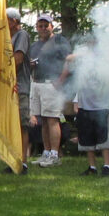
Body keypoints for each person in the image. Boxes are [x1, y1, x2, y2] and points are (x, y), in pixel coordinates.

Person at [64, 46, 109, 176]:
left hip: (101, 107)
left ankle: (107, 166)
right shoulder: (82, 67)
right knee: (87, 140)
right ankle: (92, 168)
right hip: (84, 107)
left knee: (104, 139)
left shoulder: (104, 68)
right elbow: (69, 59)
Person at [29, 14, 71, 167]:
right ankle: (46, 152)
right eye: (40, 26)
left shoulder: (59, 41)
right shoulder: (34, 46)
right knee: (43, 121)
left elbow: (70, 60)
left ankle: (55, 154)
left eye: (46, 25)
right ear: (37, 28)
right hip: (37, 83)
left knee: (53, 119)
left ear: (52, 26)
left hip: (51, 84)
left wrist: (60, 80)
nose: (43, 28)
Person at [6, 8, 32, 174]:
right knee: (11, 125)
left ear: (14, 21)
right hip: (9, 87)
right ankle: (12, 160)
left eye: (6, 19)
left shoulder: (21, 35)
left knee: (22, 126)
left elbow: (18, 59)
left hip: (20, 87)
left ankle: (23, 162)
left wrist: (1, 69)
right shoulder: (8, 36)